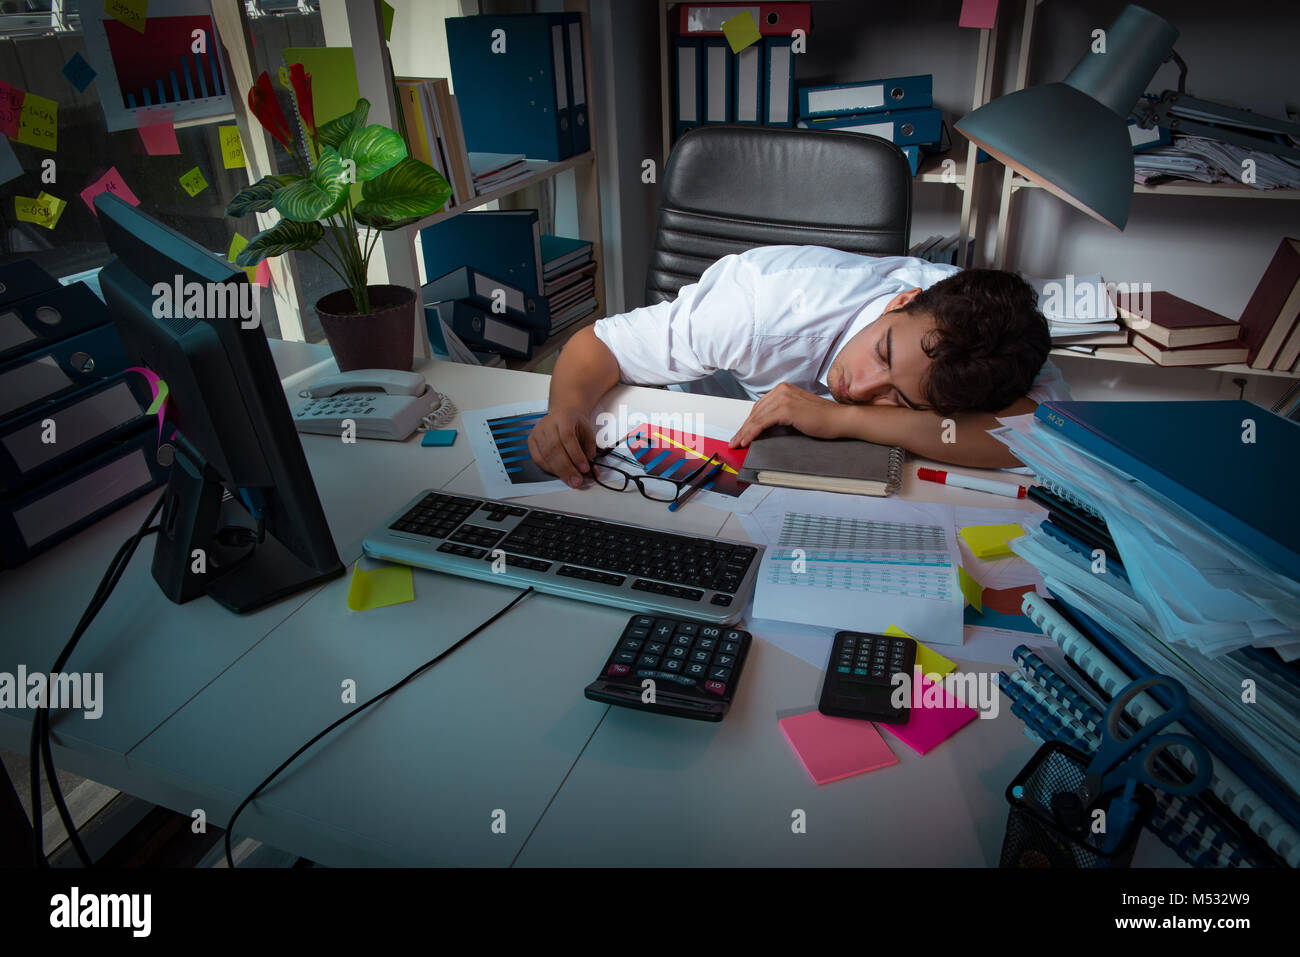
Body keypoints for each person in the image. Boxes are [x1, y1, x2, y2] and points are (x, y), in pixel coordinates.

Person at [528, 244, 1069, 487]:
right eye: (882, 352)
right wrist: (565, 409)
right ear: (901, 301)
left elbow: (1044, 437)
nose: (861, 387)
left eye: (898, 400)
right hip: (695, 452)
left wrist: (845, 419)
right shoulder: (757, 310)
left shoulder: (987, 345)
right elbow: (595, 345)